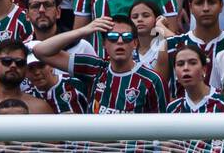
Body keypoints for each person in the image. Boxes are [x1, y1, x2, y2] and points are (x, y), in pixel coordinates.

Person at [32, 14, 168, 113]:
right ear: (104, 44)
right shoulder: (95, 68)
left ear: (135, 43)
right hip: (95, 151)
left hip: (132, 152)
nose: (120, 41)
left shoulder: (152, 80)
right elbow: (40, 51)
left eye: (126, 37)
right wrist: (84, 30)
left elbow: (162, 129)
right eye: (113, 37)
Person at [168, 42, 224, 111]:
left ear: (204, 69)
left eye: (193, 63)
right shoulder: (173, 109)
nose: (186, 68)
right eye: (180, 64)